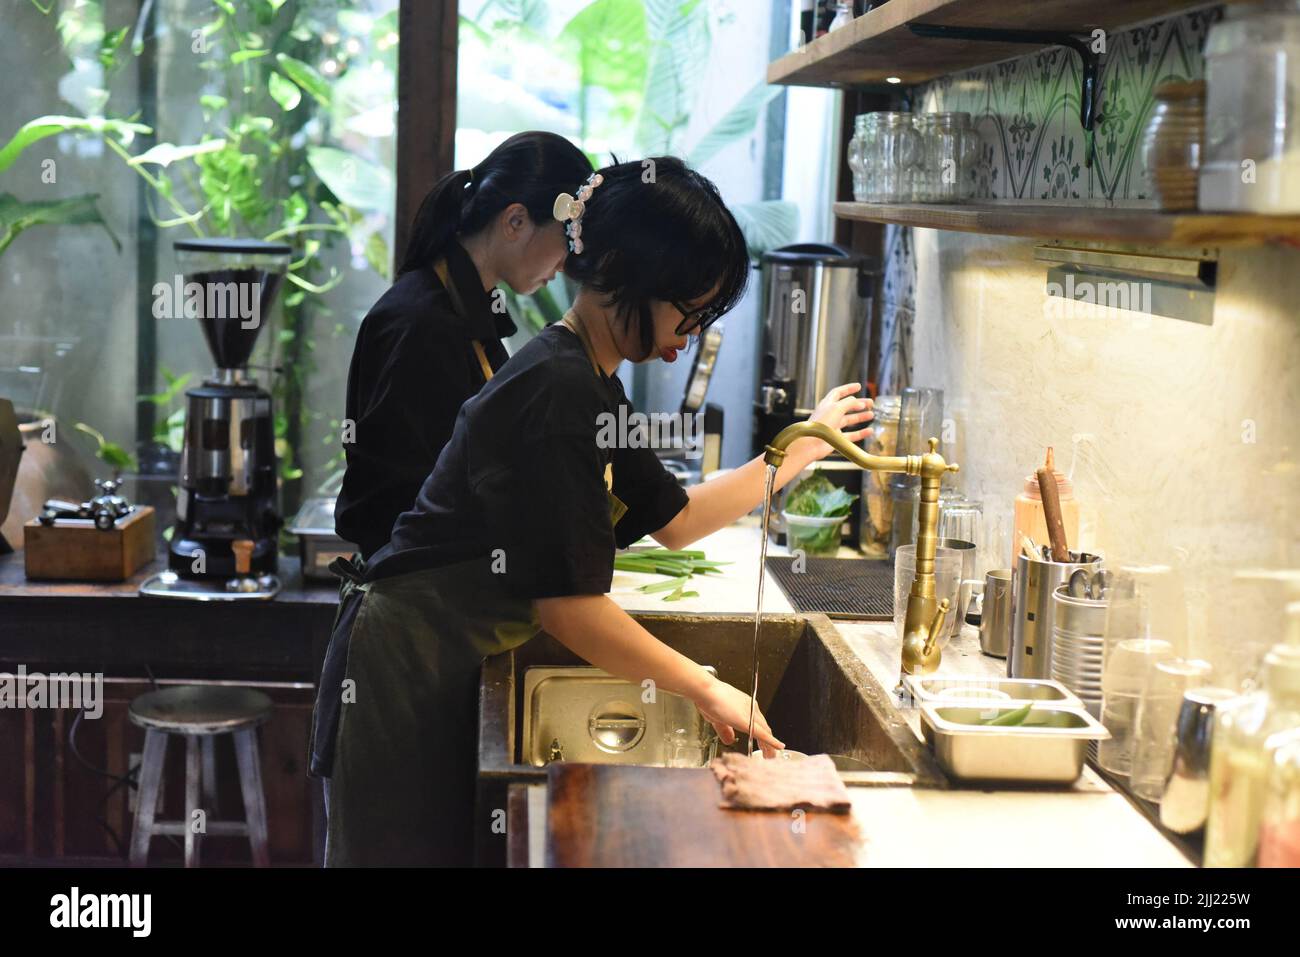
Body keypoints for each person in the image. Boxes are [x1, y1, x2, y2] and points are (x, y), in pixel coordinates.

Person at [309, 156, 874, 866]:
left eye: (705, 315)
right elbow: (568, 609)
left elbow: (678, 518)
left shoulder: (591, 379)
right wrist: (707, 687)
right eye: (686, 310)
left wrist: (800, 448)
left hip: (440, 651)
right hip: (405, 664)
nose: (691, 333)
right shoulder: (558, 387)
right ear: (625, 281)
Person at [334, 131, 594, 560]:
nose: (565, 266)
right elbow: (409, 495)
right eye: (567, 242)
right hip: (411, 597)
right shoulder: (422, 322)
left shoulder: (465, 307)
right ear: (515, 221)